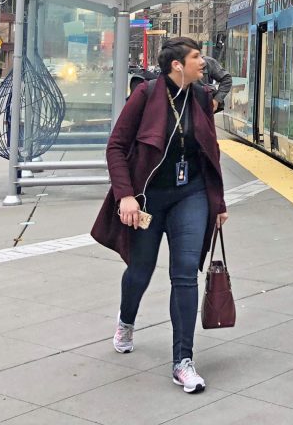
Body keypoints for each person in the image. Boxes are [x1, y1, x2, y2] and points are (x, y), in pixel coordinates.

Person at [93, 37, 229, 395]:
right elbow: (116, 146)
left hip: (191, 195)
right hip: (148, 198)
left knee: (184, 274)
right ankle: (126, 320)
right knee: (140, 270)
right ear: (177, 65)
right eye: (197, 57)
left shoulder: (201, 97)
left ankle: (183, 361)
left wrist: (218, 203)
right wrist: (125, 195)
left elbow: (210, 152)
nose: (203, 62)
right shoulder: (145, 94)